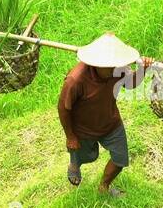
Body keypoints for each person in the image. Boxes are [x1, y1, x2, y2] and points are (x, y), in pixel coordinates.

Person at [58, 33, 153, 198]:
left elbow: (130, 84)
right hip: (83, 129)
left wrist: (143, 69)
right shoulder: (76, 79)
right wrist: (70, 136)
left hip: (110, 122)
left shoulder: (116, 68)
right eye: (109, 67)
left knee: (120, 159)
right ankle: (74, 164)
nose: (114, 69)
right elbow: (63, 108)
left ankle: (104, 186)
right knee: (87, 156)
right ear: (96, 64)